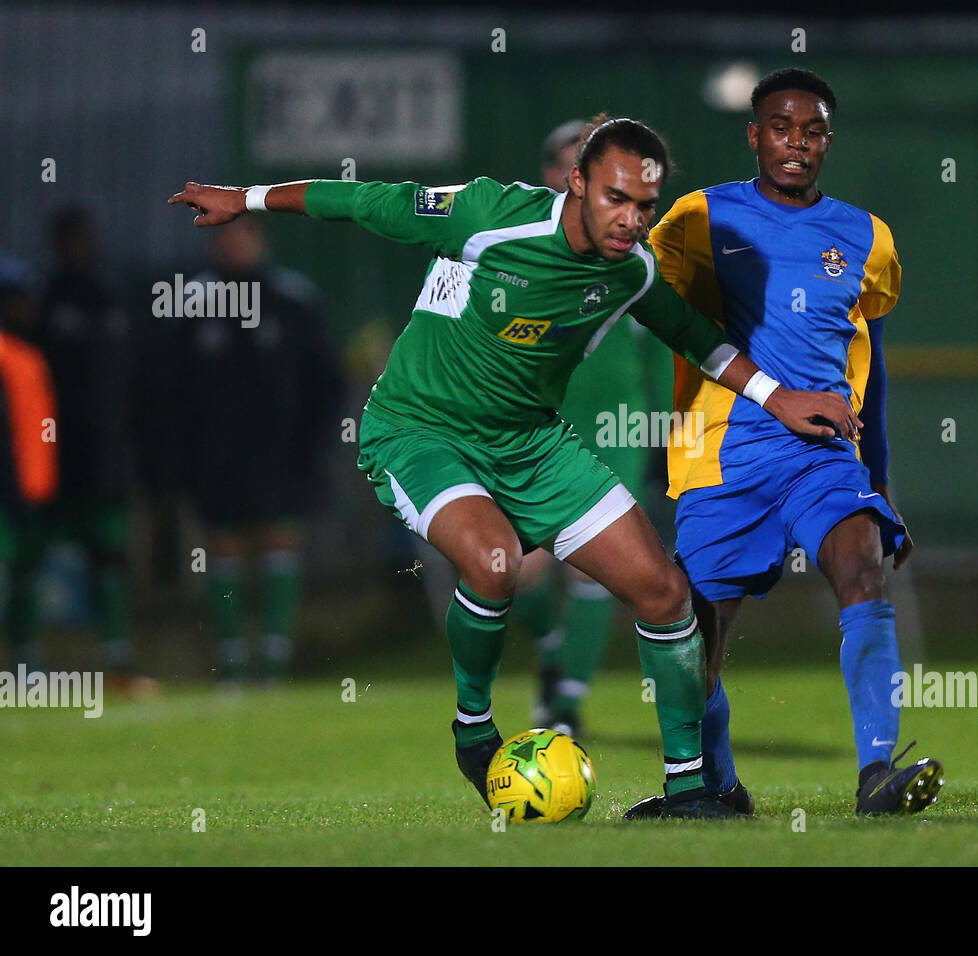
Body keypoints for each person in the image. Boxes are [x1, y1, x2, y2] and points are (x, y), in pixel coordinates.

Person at [169, 116, 861, 819]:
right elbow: (365, 200)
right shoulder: (488, 214)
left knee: (664, 593)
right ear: (578, 182)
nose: (630, 219)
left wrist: (780, 399)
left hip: (529, 442)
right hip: (420, 431)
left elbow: (693, 338)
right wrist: (244, 197)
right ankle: (474, 729)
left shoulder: (632, 269)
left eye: (645, 206)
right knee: (496, 563)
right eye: (617, 198)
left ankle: (689, 790)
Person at [629, 69, 943, 818]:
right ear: (754, 135)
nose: (795, 143)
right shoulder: (699, 219)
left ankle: (877, 775)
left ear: (828, 141)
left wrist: (880, 475)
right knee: (693, 639)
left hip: (820, 454)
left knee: (862, 566)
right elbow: (639, 290)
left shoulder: (867, 237)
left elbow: (870, 352)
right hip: (722, 453)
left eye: (811, 130)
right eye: (780, 127)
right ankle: (719, 789)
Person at [512, 117, 675, 739]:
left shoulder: (634, 259)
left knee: (590, 568)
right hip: (532, 428)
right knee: (514, 570)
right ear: (561, 176)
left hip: (614, 430)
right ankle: (556, 648)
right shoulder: (518, 246)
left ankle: (564, 702)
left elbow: (661, 351)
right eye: (564, 164)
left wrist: (665, 435)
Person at [173, 216, 344, 683]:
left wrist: (315, 444)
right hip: (215, 457)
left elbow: (325, 382)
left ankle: (273, 663)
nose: (230, 245)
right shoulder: (193, 302)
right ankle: (230, 664)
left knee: (279, 543)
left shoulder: (294, 300)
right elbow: (170, 385)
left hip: (281, 454)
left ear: (259, 240)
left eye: (240, 235)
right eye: (222, 237)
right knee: (223, 549)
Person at [31, 209, 153, 692]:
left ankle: (117, 662)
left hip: (107, 457)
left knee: (109, 557)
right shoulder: (41, 303)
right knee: (29, 559)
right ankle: (26, 664)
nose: (80, 247)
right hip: (51, 458)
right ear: (57, 244)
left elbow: (140, 386)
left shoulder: (115, 300)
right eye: (71, 239)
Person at [0, 255, 58, 669]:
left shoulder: (24, 354)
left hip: (28, 491)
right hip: (8, 496)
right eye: (18, 300)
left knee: (22, 578)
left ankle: (25, 662)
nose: (27, 308)